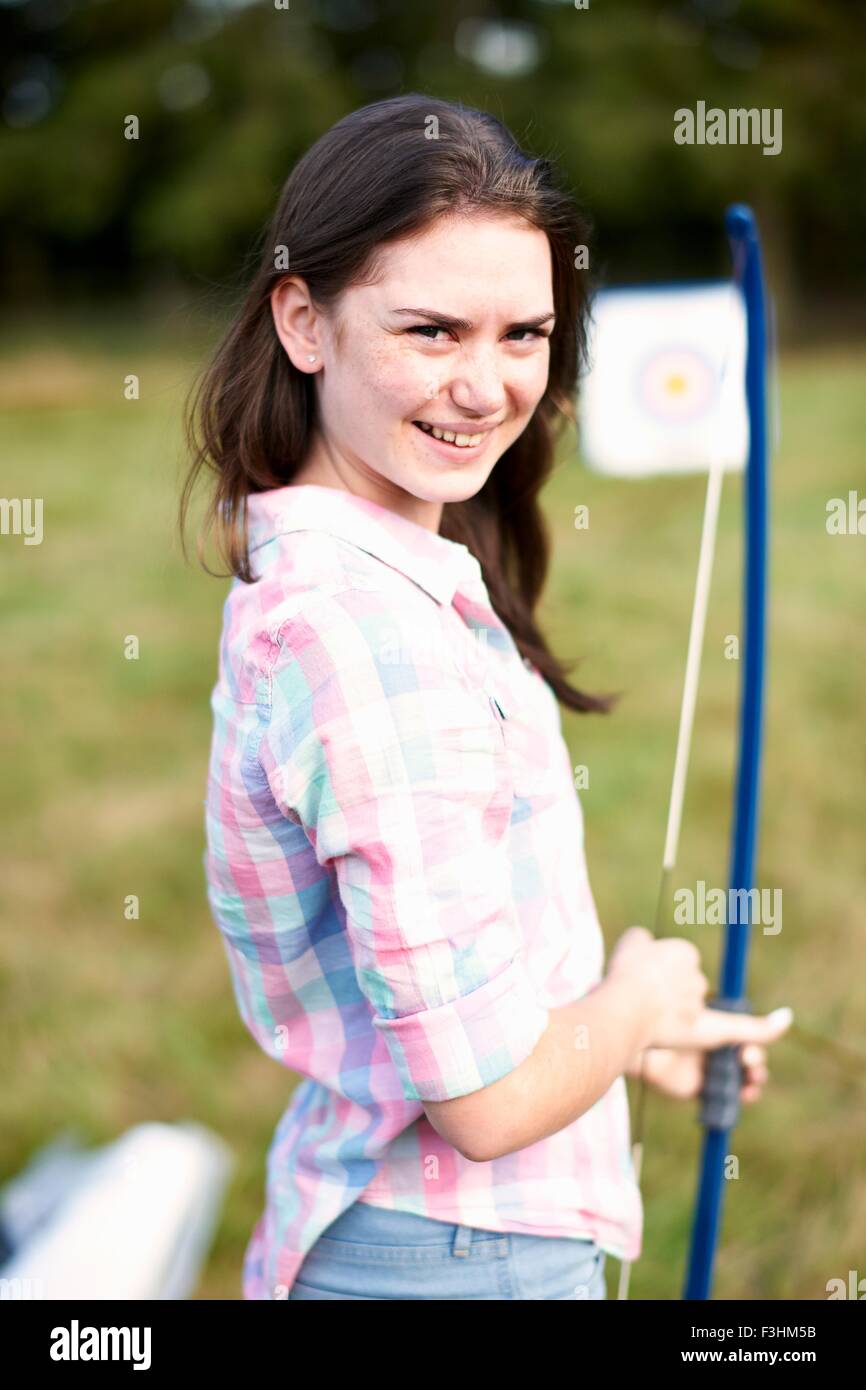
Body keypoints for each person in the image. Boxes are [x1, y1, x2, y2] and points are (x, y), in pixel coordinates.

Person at [180, 93, 792, 1301]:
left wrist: (622, 1036)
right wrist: (633, 1003)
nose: (485, 385)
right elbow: (485, 1098)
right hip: (453, 1263)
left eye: (523, 334)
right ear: (303, 320)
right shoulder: (359, 636)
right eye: (430, 330)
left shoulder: (365, 582)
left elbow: (445, 984)